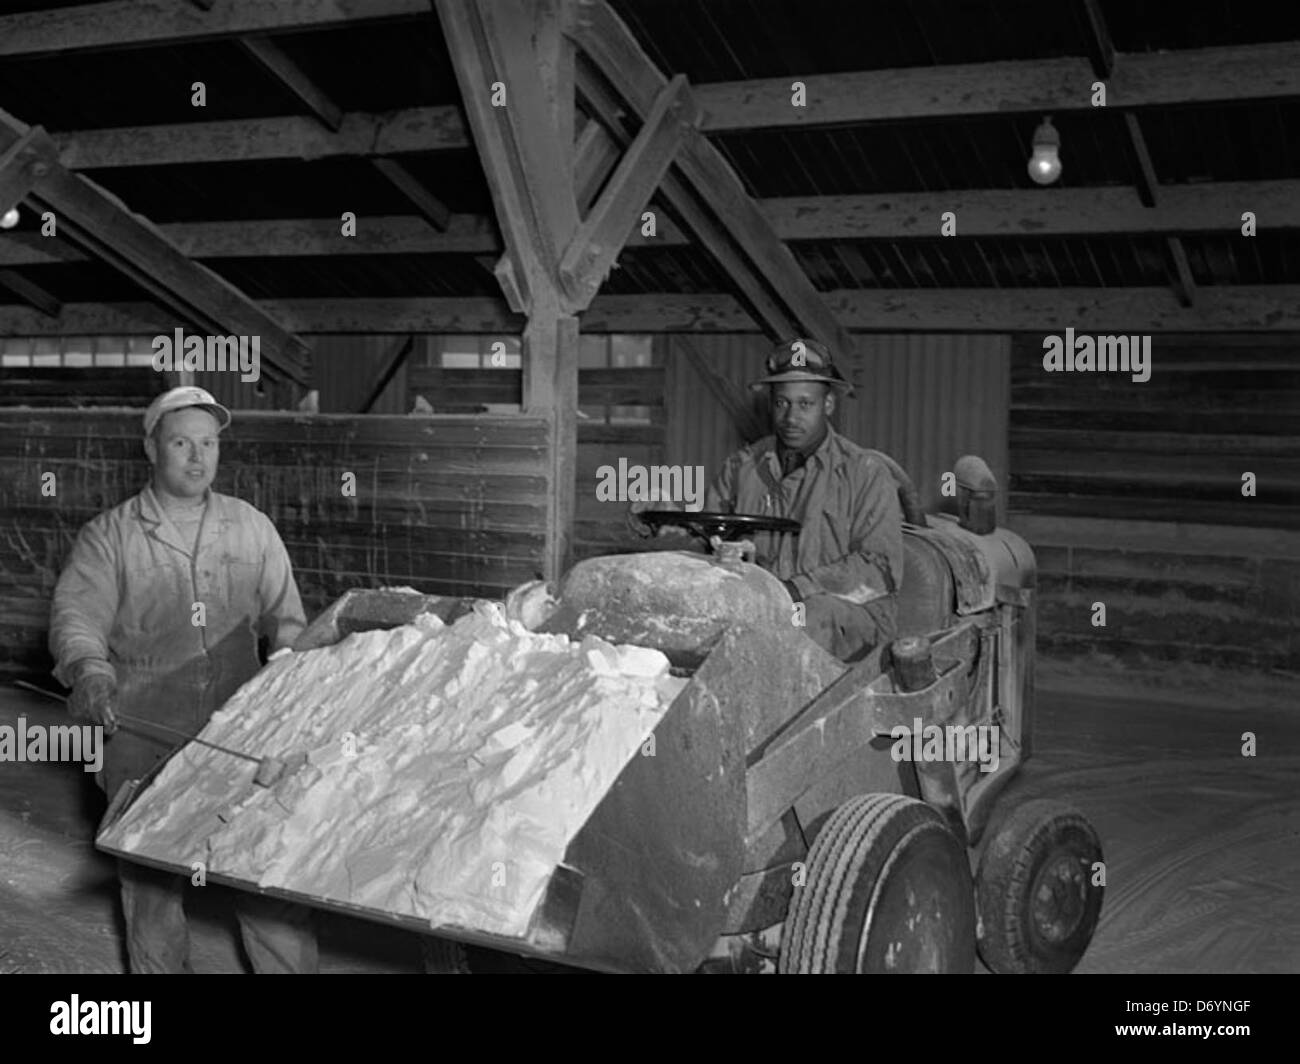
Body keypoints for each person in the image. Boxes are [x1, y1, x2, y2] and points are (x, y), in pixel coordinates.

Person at [49, 385, 319, 974]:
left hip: (241, 735)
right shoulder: (111, 536)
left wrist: (293, 687)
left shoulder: (251, 528)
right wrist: (89, 671)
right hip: (144, 729)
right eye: (180, 443)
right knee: (151, 888)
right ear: (151, 448)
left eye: (208, 443)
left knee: (266, 878)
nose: (198, 457)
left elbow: (290, 624)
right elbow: (78, 616)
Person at [635, 339, 903, 663]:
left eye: (806, 404)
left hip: (850, 620)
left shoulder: (865, 473)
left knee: (803, 617)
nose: (791, 417)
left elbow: (879, 568)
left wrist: (792, 591)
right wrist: (667, 523)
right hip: (763, 607)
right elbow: (708, 542)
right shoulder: (742, 467)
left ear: (828, 405)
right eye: (782, 404)